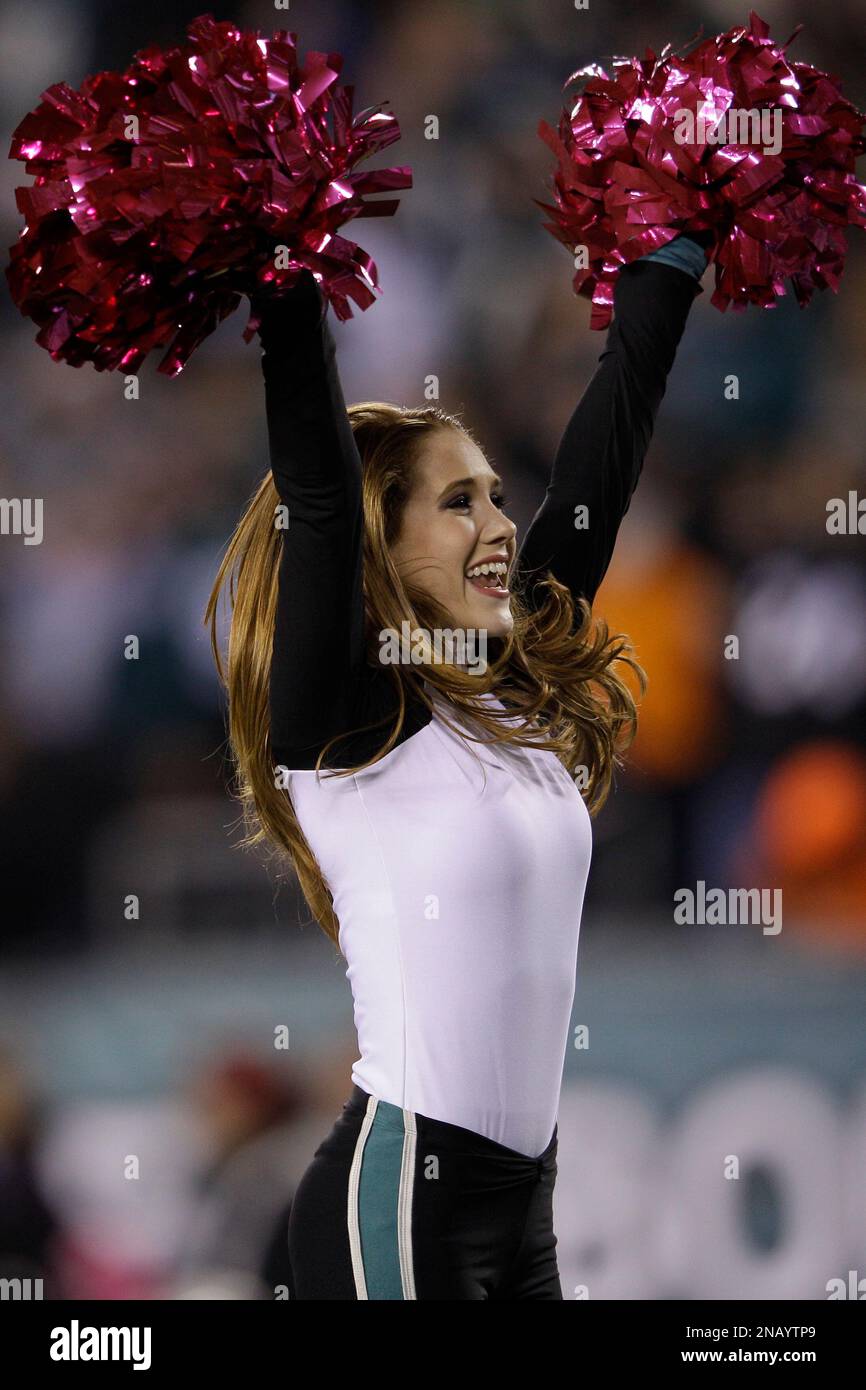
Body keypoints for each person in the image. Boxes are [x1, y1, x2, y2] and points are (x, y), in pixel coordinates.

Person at [205, 232, 707, 1299]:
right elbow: (323, 496)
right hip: (399, 1200)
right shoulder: (346, 719)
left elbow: (595, 481)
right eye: (457, 502)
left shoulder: (502, 689)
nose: (499, 525)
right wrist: (281, 267)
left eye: (491, 494)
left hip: (522, 1203)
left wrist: (671, 256)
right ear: (383, 552)